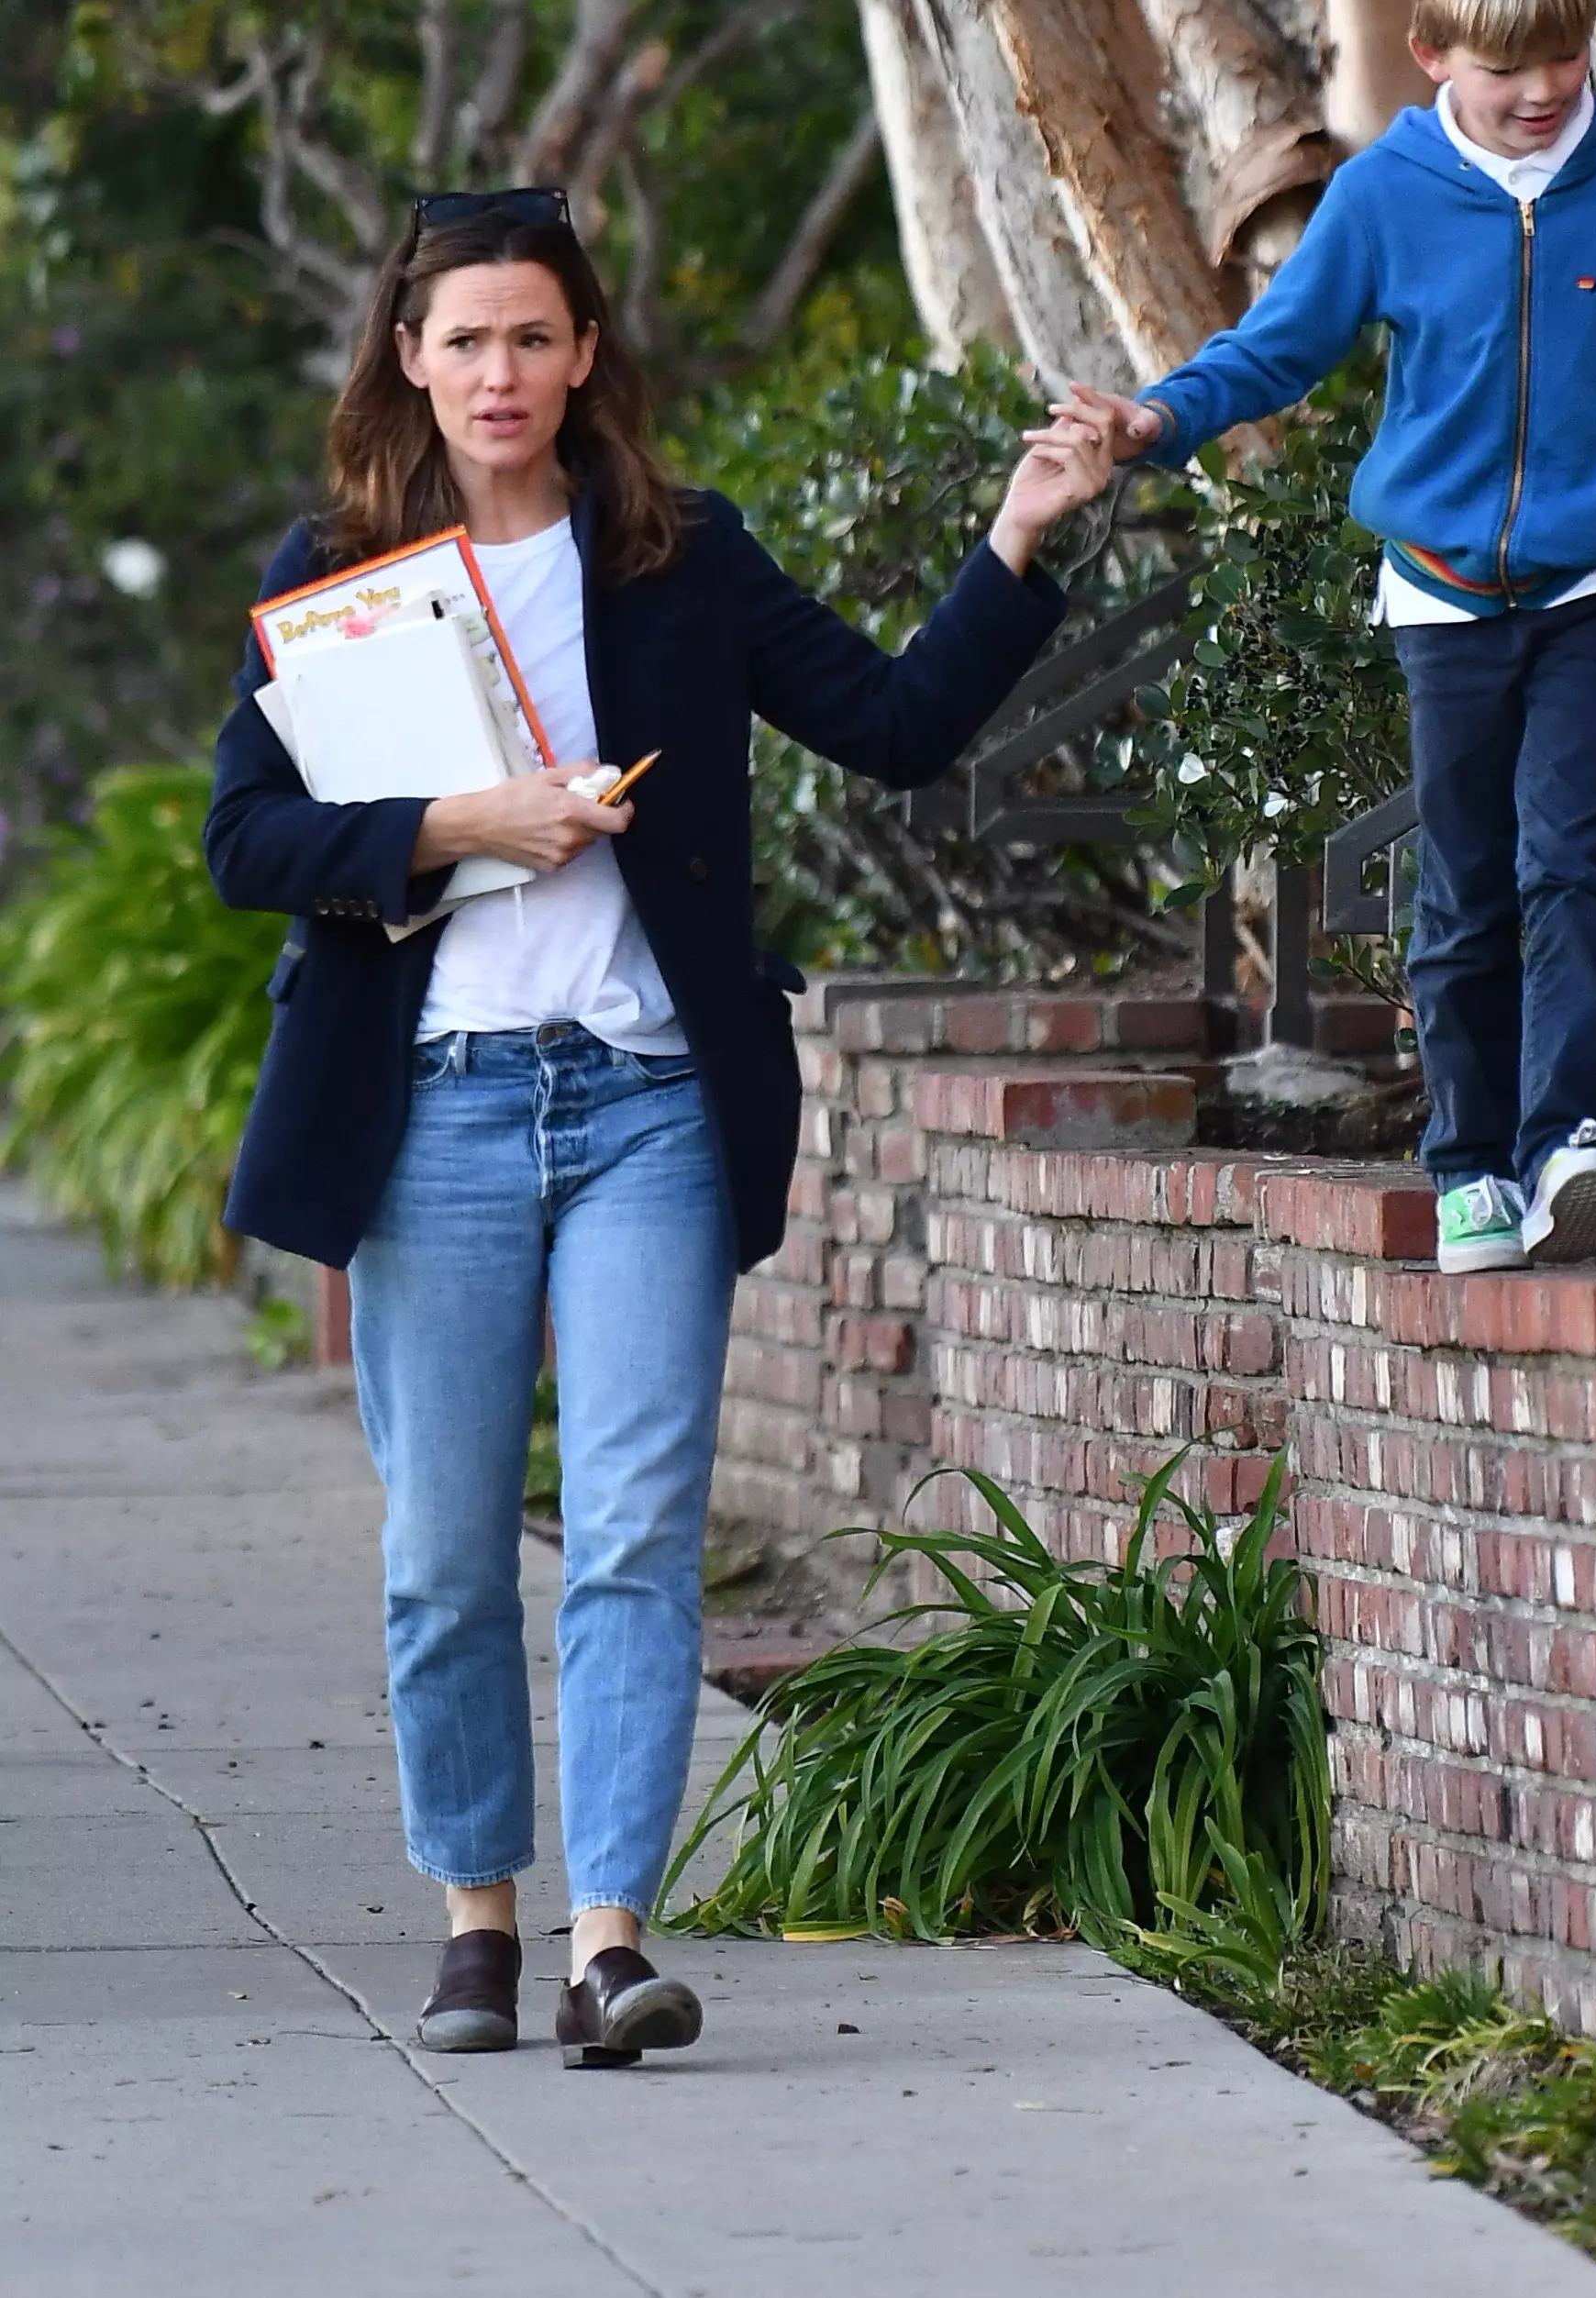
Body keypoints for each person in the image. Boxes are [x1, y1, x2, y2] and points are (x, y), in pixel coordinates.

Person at [205, 188, 1112, 2068]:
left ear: (586, 352)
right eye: (464, 338)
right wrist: (463, 823)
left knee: (631, 1531)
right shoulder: (346, 571)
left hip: (646, 1112)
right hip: (433, 1117)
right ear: (409, 358)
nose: (499, 372)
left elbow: (893, 720)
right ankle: (475, 1915)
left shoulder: (679, 562)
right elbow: (246, 842)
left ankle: (608, 1940)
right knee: (445, 1549)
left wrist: (1020, 539)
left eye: (533, 335)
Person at [1042, 0, 1596, 1280]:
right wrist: (1154, 419)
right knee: (1468, 885)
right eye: (1506, 68)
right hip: (1443, 595)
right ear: (1431, 52)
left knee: (1579, 869)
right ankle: (1473, 1164)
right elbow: (1277, 347)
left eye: (1564, 55)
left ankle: (1569, 1143)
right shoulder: (1385, 193)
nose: (1544, 91)